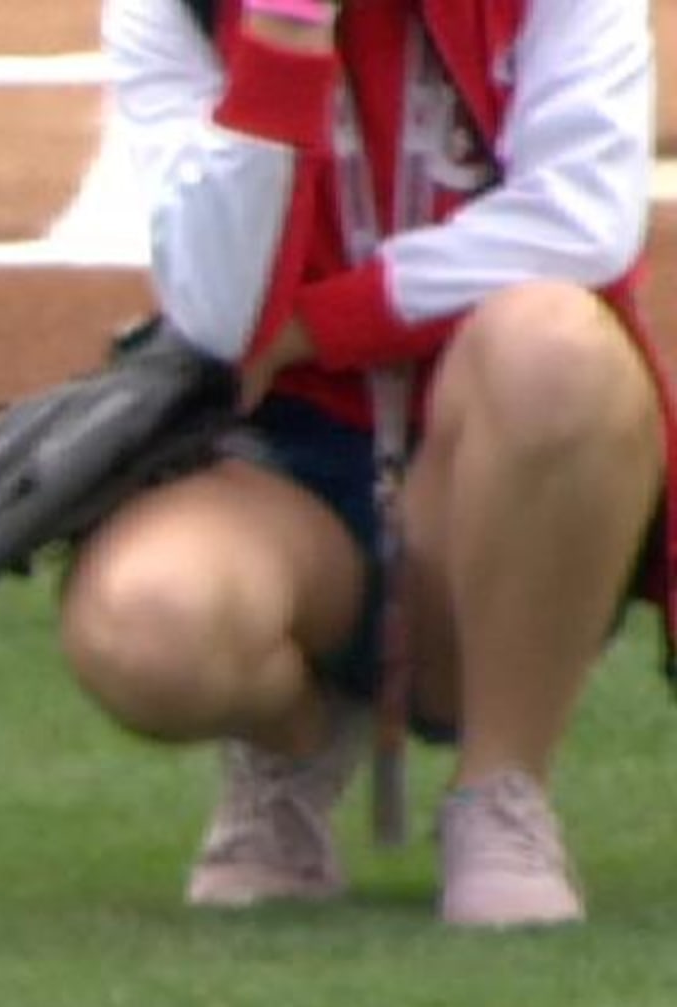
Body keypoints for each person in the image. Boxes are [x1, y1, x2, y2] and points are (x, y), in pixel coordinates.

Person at [65, 0, 671, 926]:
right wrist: (284, 41)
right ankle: (294, 748)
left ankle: (502, 792)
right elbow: (220, 311)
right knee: (148, 631)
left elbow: (580, 223)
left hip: (496, 458)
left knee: (559, 349)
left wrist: (326, 321)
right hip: (274, 468)